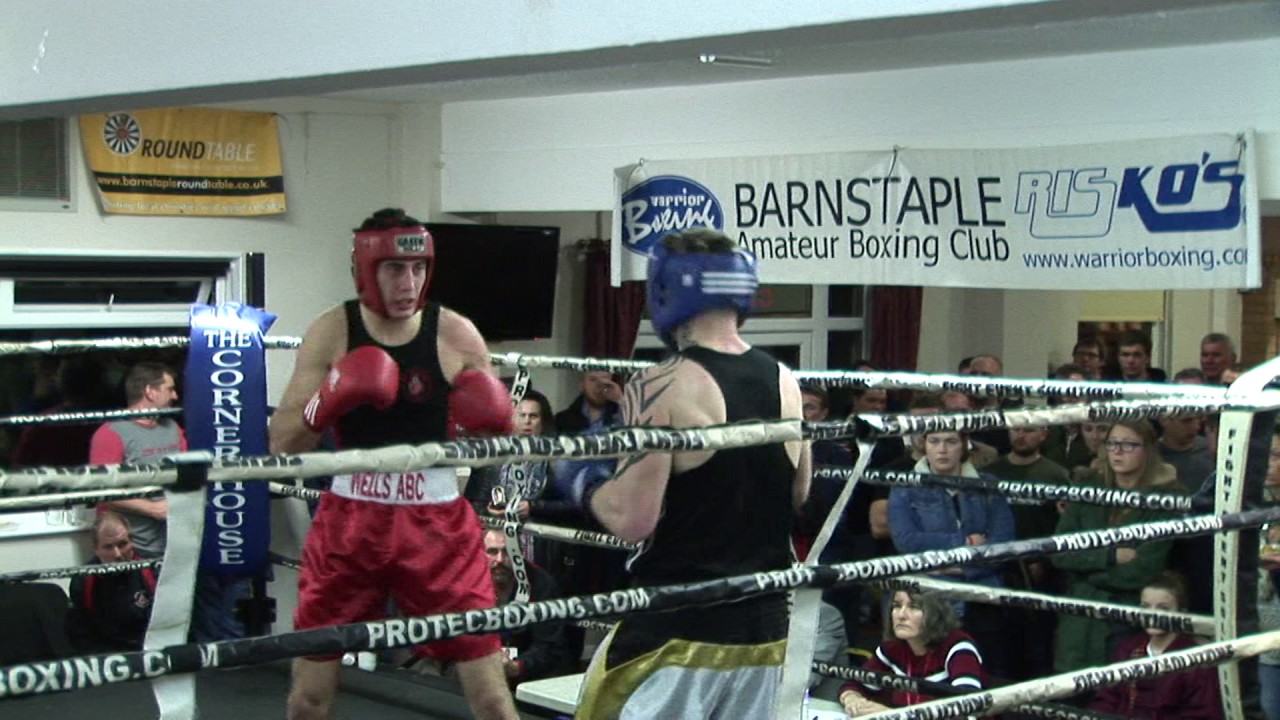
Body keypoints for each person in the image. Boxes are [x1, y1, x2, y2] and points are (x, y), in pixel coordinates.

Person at [269, 208, 518, 720]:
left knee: (492, 698)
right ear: (365, 268)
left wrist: (487, 428)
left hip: (439, 528)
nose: (409, 283)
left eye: (419, 268)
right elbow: (282, 445)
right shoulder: (332, 331)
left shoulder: (456, 334)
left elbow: (498, 445)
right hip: (350, 521)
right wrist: (329, 399)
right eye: (393, 269)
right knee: (309, 700)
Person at [577, 228, 809, 719]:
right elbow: (799, 490)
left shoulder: (658, 383)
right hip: (764, 630)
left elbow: (631, 520)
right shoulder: (785, 379)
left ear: (665, 289)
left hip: (676, 626)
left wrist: (581, 480)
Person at [1052, 420, 1187, 673]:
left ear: (1147, 449)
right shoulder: (1087, 488)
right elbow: (1060, 553)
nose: (1117, 451)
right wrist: (1110, 556)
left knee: (1120, 694)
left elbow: (1144, 569)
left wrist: (1085, 567)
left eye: (1128, 445)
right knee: (1071, 693)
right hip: (1079, 616)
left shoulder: (1167, 498)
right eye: (1112, 443)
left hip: (1128, 616)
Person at [888, 429, 1014, 679]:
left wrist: (953, 566)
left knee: (985, 677)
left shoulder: (988, 486)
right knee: (934, 678)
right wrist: (966, 543)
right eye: (935, 441)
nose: (942, 449)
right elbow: (907, 543)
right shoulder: (904, 487)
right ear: (924, 445)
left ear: (965, 445)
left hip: (982, 598)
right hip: (929, 601)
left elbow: (1003, 546)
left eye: (951, 442)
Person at [1089, 572, 1224, 719]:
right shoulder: (1127, 649)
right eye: (1145, 606)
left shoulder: (1196, 660)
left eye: (1163, 609)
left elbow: (1203, 714)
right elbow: (1106, 700)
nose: (1152, 615)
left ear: (1182, 613)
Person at [88, 361, 185, 559]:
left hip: (174, 544)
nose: (175, 396)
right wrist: (152, 508)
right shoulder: (111, 433)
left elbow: (186, 473)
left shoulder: (172, 428)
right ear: (150, 391)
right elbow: (99, 490)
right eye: (170, 389)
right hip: (133, 548)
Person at [837, 589, 985, 716]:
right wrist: (852, 698)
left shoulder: (958, 646)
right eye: (897, 605)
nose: (901, 615)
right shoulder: (892, 648)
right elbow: (856, 684)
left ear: (935, 613)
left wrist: (892, 716)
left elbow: (966, 709)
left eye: (914, 607)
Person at [481, 529, 573, 686]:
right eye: (492, 552)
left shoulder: (541, 583)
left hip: (523, 672)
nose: (500, 559)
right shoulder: (469, 581)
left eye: (509, 552)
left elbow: (549, 645)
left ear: (521, 553)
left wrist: (517, 667)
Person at [66, 511, 157, 653]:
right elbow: (82, 636)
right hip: (106, 654)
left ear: (131, 541)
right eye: (108, 547)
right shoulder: (83, 579)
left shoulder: (153, 569)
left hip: (149, 648)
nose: (117, 554)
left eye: (122, 544)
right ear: (96, 549)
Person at [554, 370, 623, 434]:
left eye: (604, 379)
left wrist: (619, 399)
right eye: (592, 380)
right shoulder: (562, 420)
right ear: (581, 385)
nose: (599, 385)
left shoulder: (621, 414)